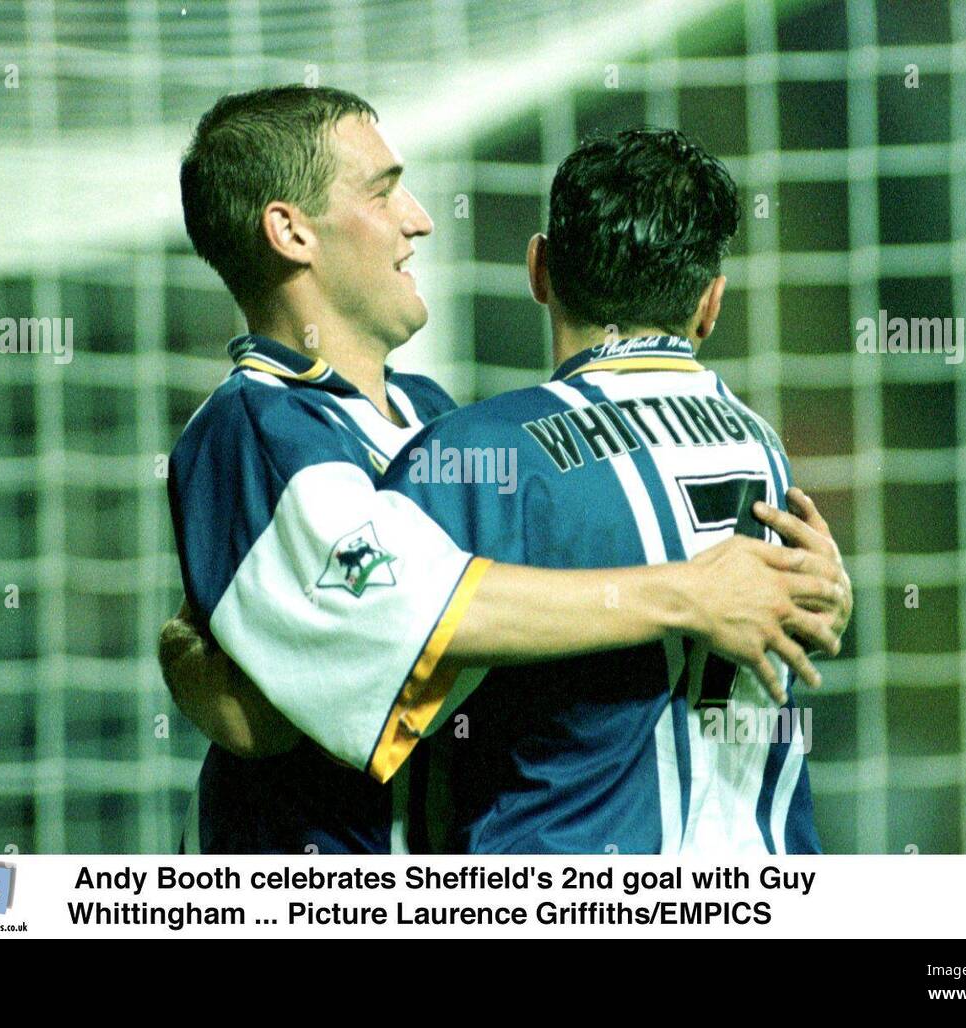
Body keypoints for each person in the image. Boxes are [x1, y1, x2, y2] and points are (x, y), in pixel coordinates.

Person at [164, 85, 851, 853]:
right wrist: (690, 595)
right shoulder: (258, 425)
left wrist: (802, 590)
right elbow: (325, 673)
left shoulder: (434, 415)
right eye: (384, 191)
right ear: (291, 232)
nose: (419, 218)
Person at [379, 129, 824, 852]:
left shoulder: (483, 454)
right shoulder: (761, 447)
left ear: (539, 269)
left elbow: (346, 659)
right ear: (711, 303)